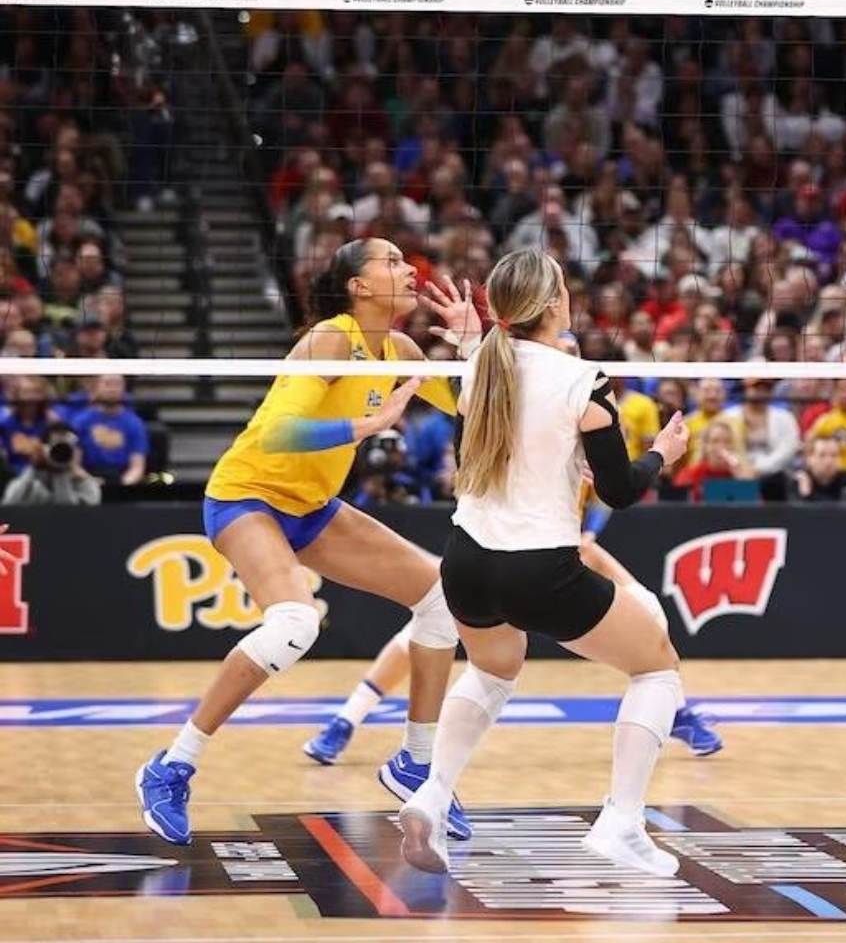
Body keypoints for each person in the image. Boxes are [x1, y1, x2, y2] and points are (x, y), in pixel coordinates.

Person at [136, 239, 478, 846]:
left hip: (312, 507)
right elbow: (277, 434)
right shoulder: (329, 340)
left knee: (442, 600)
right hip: (247, 496)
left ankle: (415, 763)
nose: (409, 270)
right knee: (294, 624)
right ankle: (171, 766)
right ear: (359, 285)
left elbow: (471, 407)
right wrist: (367, 425)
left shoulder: (397, 349)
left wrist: (469, 345)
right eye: (393, 261)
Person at [396, 248, 693, 877]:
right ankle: (621, 821)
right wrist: (661, 452)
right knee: (658, 669)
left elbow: (488, 442)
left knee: (493, 672)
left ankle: (433, 792)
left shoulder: (478, 369)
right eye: (563, 286)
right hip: (539, 570)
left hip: (466, 564)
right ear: (554, 302)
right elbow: (619, 490)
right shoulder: (582, 380)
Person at [303, 511, 726, 765]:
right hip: (492, 557)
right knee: (425, 625)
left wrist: (588, 530)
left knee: (646, 604)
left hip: (547, 566)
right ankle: (345, 722)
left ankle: (678, 712)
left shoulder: (573, 455)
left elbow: (600, 506)